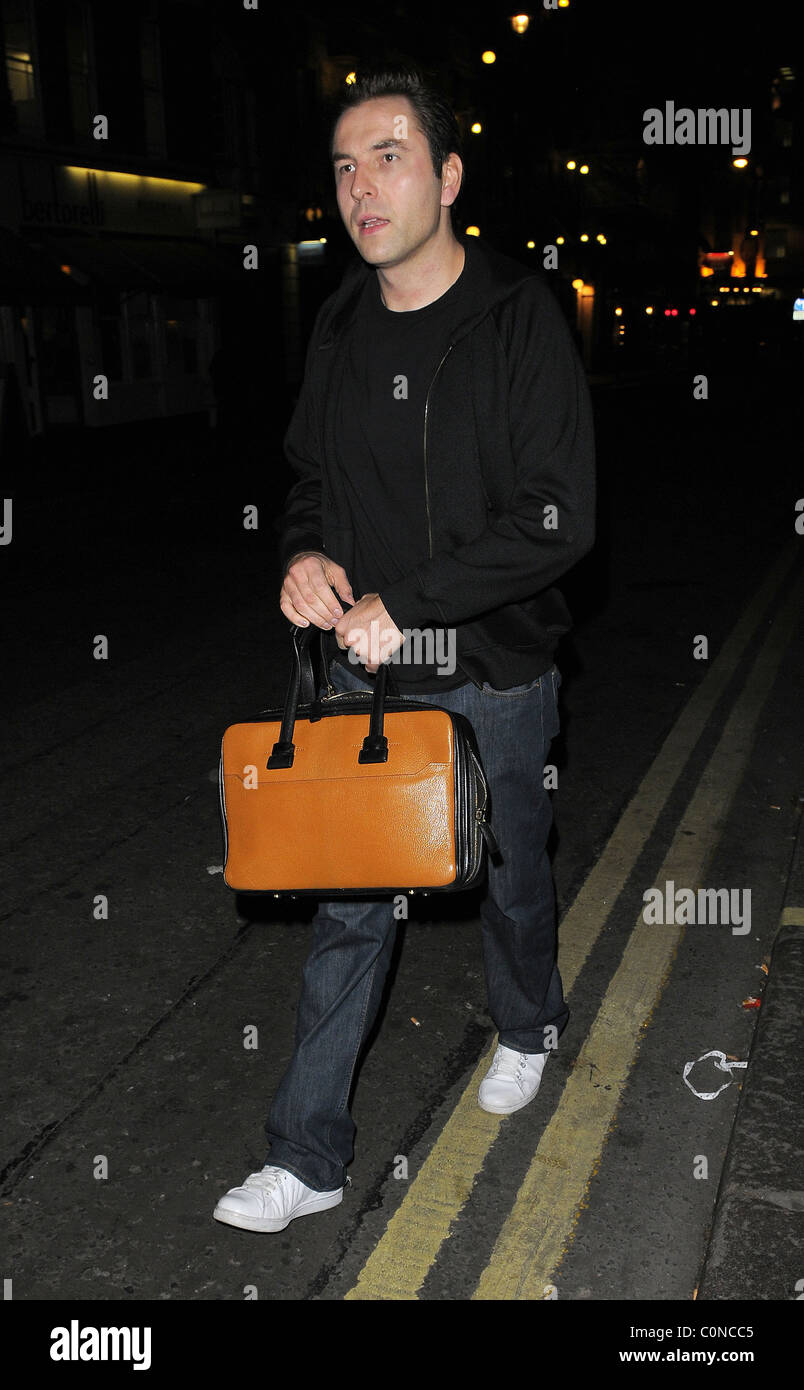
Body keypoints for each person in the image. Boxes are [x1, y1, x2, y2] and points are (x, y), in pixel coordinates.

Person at [214, 67, 596, 1234]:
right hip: (365, 671)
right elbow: (314, 485)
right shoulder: (336, 323)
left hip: (497, 663)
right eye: (343, 164)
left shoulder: (516, 316)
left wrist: (414, 593)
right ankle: (309, 1153)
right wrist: (302, 557)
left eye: (388, 156)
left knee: (512, 878)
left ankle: (527, 1023)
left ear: (448, 176)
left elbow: (556, 515)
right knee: (350, 908)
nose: (361, 185)